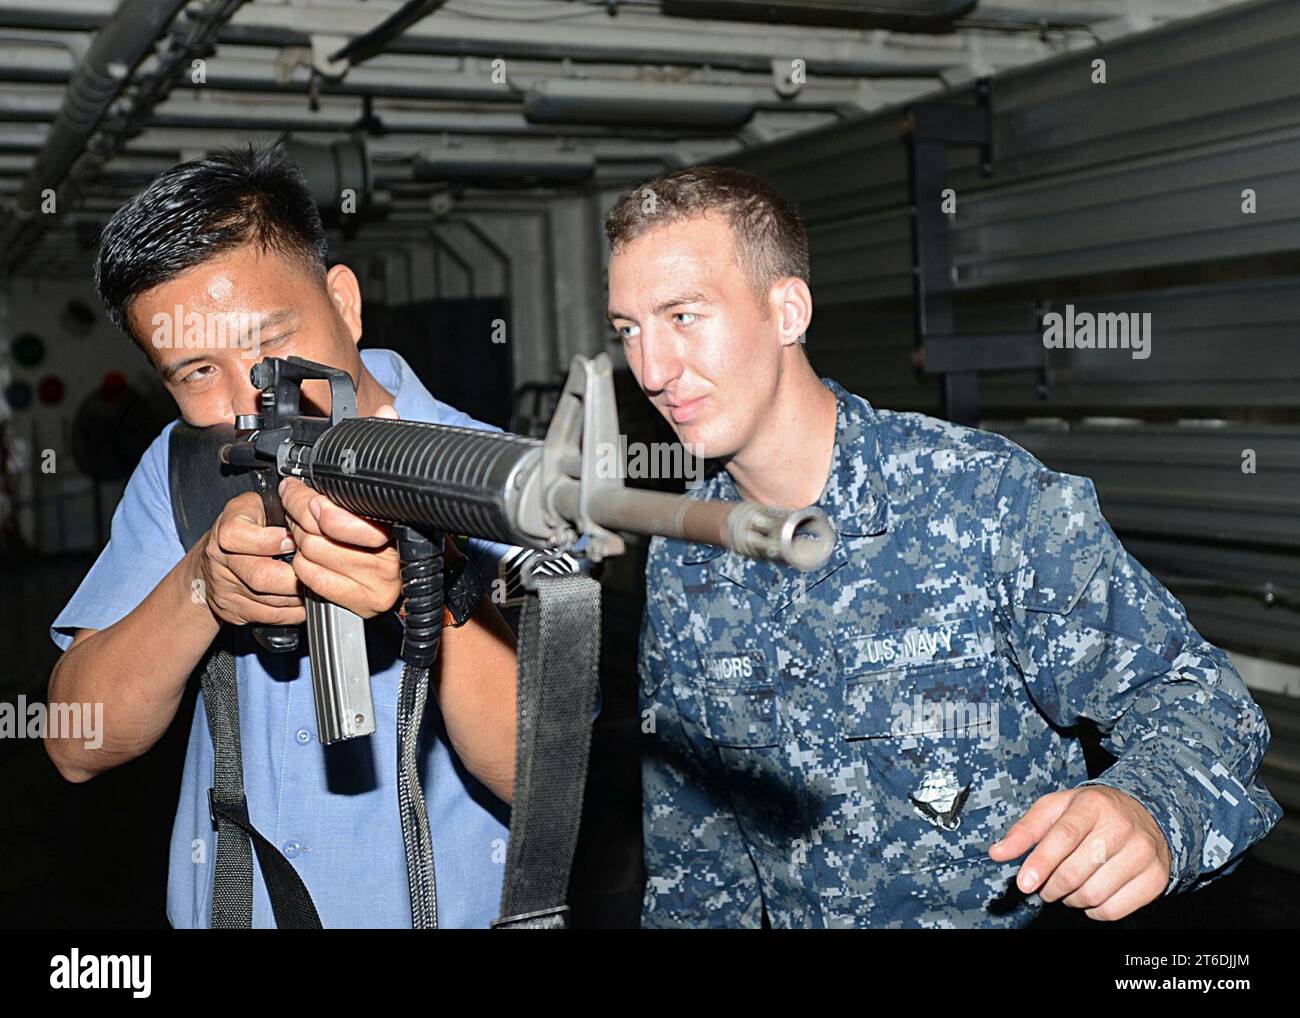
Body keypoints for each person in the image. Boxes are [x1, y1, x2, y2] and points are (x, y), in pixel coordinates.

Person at [606, 165, 1283, 928]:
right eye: (629, 330)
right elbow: (695, 850)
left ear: (787, 309)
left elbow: (1203, 704)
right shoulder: (687, 556)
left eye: (684, 316)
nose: (654, 370)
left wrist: (1147, 808)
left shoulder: (984, 500)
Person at [45, 143, 520, 928]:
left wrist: (429, 589)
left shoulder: (485, 476)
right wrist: (201, 585)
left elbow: (537, 780)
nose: (247, 397)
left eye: (270, 343)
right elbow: (77, 741)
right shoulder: (186, 469)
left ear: (345, 301)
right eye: (197, 372)